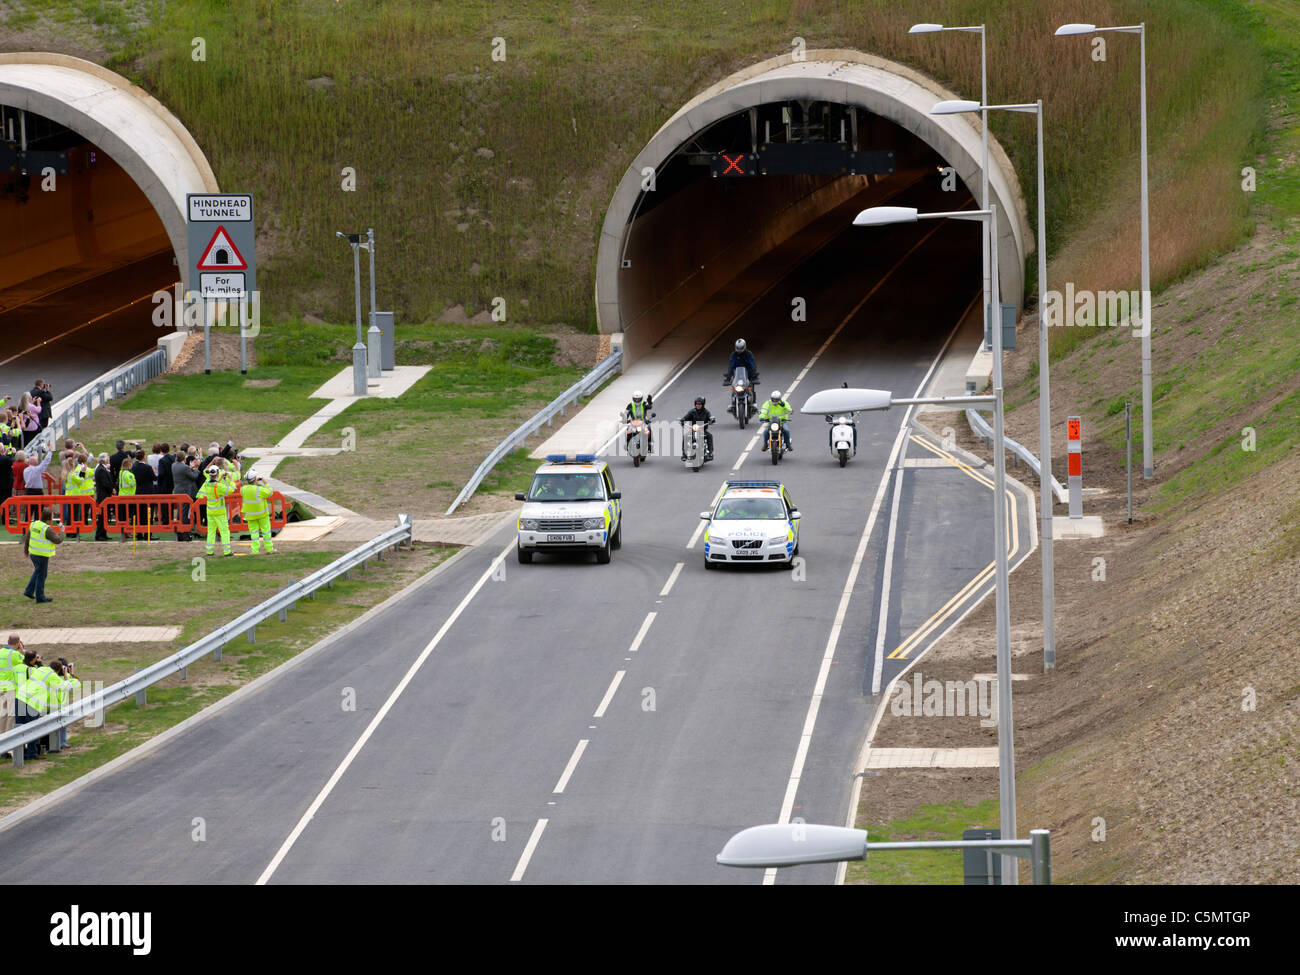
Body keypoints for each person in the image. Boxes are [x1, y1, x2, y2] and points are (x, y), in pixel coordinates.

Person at [23, 506, 61, 602]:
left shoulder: (34, 524)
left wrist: (26, 550)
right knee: (42, 575)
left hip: (33, 554)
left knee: (38, 571)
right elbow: (58, 540)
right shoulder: (48, 529)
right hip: (42, 555)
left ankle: (29, 591)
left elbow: (28, 537)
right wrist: (62, 532)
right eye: (52, 516)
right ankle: (40, 597)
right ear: (49, 518)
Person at [197, 465, 234, 556]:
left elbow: (215, 484)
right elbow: (230, 490)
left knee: (211, 531)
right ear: (217, 474)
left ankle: (209, 551)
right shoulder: (218, 486)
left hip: (210, 511)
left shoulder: (206, 484)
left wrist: (220, 478)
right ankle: (227, 551)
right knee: (224, 531)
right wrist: (231, 479)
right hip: (219, 513)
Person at [239, 470, 275, 555]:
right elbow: (270, 492)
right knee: (266, 532)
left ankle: (255, 551)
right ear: (255, 479)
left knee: (254, 534)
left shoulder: (243, 489)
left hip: (250, 516)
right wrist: (265, 482)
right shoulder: (260, 490)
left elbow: (245, 490)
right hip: (262, 515)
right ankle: (269, 549)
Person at [0, 635, 25, 738]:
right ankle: (8, 741)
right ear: (18, 643)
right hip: (10, 688)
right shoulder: (15, 654)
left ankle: (1, 739)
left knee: (2, 715)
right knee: (11, 715)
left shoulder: (0, 652)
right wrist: (23, 650)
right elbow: (28, 662)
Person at [679, 396, 715, 461]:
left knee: (709, 436)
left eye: (699, 404)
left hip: (702, 430)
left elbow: (710, 416)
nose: (698, 405)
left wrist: (712, 419)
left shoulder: (706, 412)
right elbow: (685, 417)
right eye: (697, 404)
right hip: (693, 430)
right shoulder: (692, 412)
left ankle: (710, 453)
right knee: (685, 436)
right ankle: (684, 454)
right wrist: (682, 420)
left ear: (703, 405)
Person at [93, 452, 114, 541]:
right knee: (102, 516)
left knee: (105, 516)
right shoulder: (101, 469)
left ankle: (103, 533)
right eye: (107, 458)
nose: (109, 459)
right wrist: (112, 489)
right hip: (103, 496)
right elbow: (105, 483)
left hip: (104, 495)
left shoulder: (102, 468)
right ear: (104, 459)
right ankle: (100, 534)